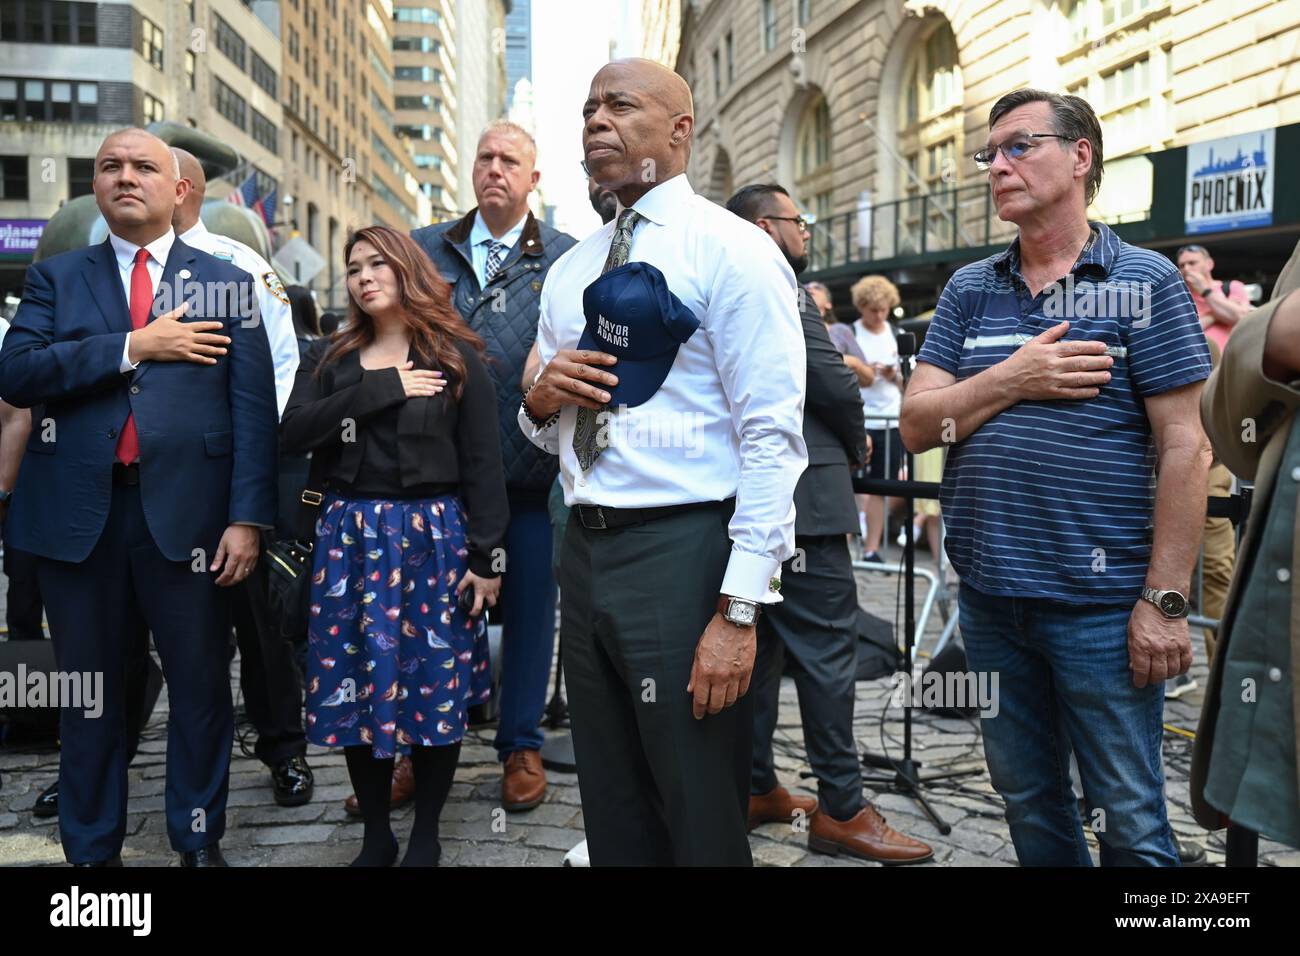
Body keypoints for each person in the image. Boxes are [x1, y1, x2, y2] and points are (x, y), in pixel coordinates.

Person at [900, 90, 1212, 866]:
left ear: (1081, 156)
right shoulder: (970, 289)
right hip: (991, 605)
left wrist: (1165, 602)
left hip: (1102, 611)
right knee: (1029, 802)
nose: (996, 166)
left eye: (1018, 146)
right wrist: (1015, 377)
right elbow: (917, 425)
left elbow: (1187, 447)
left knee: (1132, 821)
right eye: (990, 154)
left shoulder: (1144, 279)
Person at [520, 58, 807, 866]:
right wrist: (538, 404)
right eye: (586, 107)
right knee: (612, 801)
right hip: (583, 547)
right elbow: (551, 427)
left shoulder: (734, 251)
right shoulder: (573, 270)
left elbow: (771, 438)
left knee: (698, 804)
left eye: (620, 105)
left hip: (683, 553)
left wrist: (740, 608)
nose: (596, 122)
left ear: (679, 129)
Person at [0, 127, 278, 866]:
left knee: (198, 691)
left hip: (191, 523)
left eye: (143, 167)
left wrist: (248, 519)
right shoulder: (56, 278)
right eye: (110, 167)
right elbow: (18, 374)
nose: (126, 177)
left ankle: (196, 840)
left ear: (180, 189)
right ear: (94, 186)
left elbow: (253, 410)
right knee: (90, 697)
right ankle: (92, 853)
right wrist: (134, 346)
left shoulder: (227, 283)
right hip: (79, 523)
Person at [280, 225, 509, 867]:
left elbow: (483, 464)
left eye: (378, 263)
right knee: (355, 686)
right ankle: (376, 833)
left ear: (408, 269)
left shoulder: (456, 354)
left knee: (433, 688)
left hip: (433, 541)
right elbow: (292, 433)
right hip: (349, 544)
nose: (364, 276)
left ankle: (427, 832)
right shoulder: (330, 358)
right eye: (354, 268)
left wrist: (488, 559)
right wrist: (383, 389)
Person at [726, 183, 932, 863]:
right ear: (766, 226)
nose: (806, 232)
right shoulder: (776, 282)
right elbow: (831, 380)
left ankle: (756, 787)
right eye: (798, 221)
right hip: (802, 505)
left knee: (761, 659)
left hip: (740, 502)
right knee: (826, 658)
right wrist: (855, 442)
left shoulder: (716, 276)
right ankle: (842, 810)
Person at [411, 121, 577, 813]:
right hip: (441, 476)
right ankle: (415, 750)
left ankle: (520, 745)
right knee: (432, 617)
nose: (495, 169)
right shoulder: (426, 249)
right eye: (485, 157)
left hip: (532, 479)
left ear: (534, 179)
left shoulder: (568, 258)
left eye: (511, 160)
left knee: (534, 614)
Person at [170, 147, 313, 807]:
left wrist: (250, 475)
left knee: (258, 623)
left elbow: (279, 372)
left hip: (231, 477)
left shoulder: (238, 268)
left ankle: (283, 747)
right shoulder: (106, 271)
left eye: (145, 172)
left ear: (184, 191)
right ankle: (99, 759)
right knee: (127, 632)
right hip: (141, 482)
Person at [1192, 239, 1300, 851]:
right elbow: (1232, 407)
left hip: (1214, 476)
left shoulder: (1225, 297)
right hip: (1264, 516)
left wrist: (1237, 315)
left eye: (1193, 265)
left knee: (1213, 572)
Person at [851, 275, 904, 563]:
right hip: (860, 417)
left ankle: (872, 548)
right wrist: (865, 371)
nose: (879, 314)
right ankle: (849, 542)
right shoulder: (850, 333)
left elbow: (910, 381)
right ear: (862, 307)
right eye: (873, 309)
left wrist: (892, 374)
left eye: (884, 308)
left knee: (883, 484)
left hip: (890, 418)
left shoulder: (896, 333)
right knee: (851, 482)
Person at [1176, 243, 1252, 352]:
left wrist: (1205, 291)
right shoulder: (1180, 297)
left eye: (1192, 263)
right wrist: (1215, 314)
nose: (1186, 269)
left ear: (1209, 264)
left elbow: (1242, 318)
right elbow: (1182, 334)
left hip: (1228, 362)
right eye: (1182, 265)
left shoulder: (1231, 287)